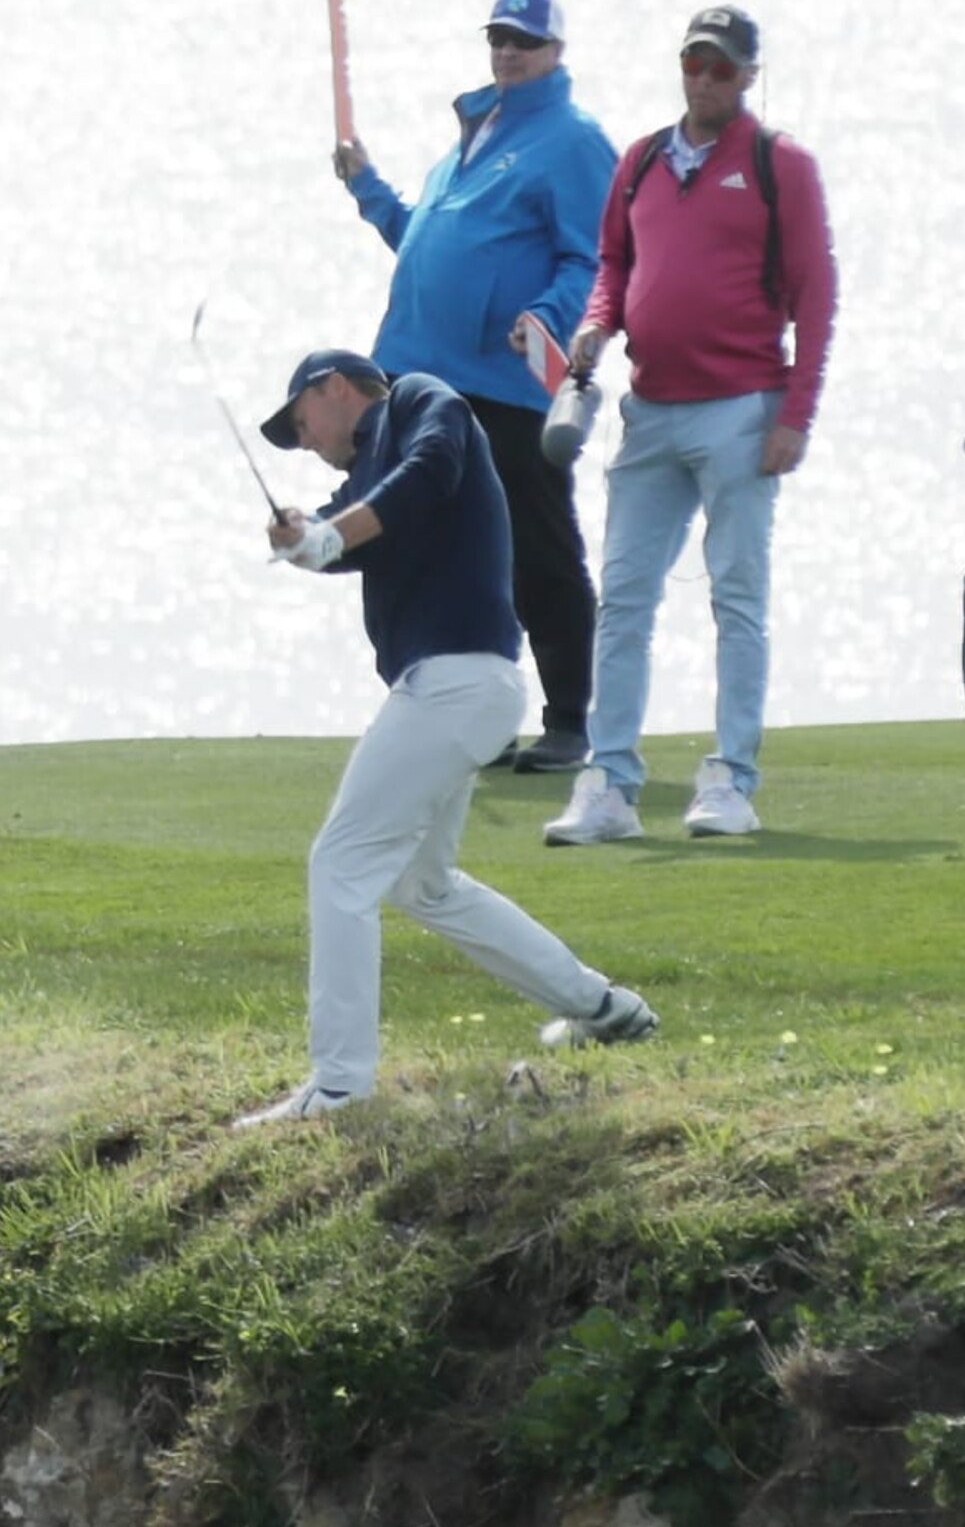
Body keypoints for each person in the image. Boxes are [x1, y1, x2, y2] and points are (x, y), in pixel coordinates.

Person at [239, 350, 656, 1127]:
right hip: (459, 690)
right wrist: (308, 535)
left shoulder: (422, 402)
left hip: (457, 684)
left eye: (303, 422)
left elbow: (425, 476)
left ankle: (338, 1087)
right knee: (422, 886)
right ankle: (604, 1008)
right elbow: (355, 529)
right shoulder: (371, 470)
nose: (307, 441)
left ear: (337, 388)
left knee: (342, 862)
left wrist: (330, 535)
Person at [542, 5, 837, 846]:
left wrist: (796, 416)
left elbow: (816, 297)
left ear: (748, 76)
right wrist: (599, 321)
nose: (704, 80)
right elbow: (614, 264)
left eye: (721, 68)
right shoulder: (640, 162)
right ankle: (610, 783)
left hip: (743, 410)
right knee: (624, 597)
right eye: (694, 64)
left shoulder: (781, 167)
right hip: (651, 411)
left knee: (737, 596)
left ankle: (731, 777)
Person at [333, 0, 618, 775]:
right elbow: (427, 241)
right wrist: (368, 190)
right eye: (498, 37)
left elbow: (591, 257)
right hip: (416, 377)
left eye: (524, 40)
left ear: (556, 50)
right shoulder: (473, 134)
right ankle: (452, 713)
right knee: (430, 552)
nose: (508, 51)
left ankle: (567, 722)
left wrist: (546, 315)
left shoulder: (571, 140)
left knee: (537, 547)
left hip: (504, 383)